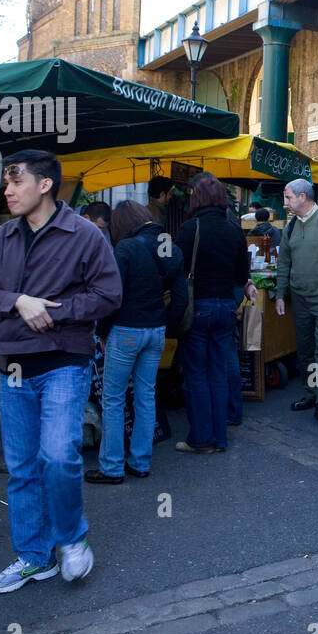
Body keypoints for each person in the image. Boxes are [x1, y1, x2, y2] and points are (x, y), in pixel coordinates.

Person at [0, 150, 122, 593]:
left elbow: (109, 296)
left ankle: (71, 538)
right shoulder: (0, 237)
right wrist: (18, 301)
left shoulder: (85, 235)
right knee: (21, 468)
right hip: (13, 364)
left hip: (62, 361)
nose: (8, 191)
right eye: (6, 185)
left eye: (17, 182)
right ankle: (35, 558)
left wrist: (55, 312)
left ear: (46, 185)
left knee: (58, 455)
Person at [86, 201, 187, 483]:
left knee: (114, 399)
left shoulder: (126, 248)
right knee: (145, 396)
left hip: (126, 329)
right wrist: (165, 324)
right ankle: (140, 462)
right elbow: (181, 299)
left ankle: (112, 467)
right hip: (155, 331)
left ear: (121, 224)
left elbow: (112, 296)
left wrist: (102, 332)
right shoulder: (172, 247)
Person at [176, 175, 249, 454]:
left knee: (196, 373)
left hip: (198, 307)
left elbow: (175, 269)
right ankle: (220, 437)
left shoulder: (189, 228)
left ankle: (201, 439)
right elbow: (242, 275)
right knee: (218, 372)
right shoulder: (234, 230)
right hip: (226, 307)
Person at [275, 178, 318, 422]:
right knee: (305, 350)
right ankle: (311, 392)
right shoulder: (290, 227)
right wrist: (280, 294)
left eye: (289, 197)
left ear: (303, 197)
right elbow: (283, 262)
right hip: (300, 298)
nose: (286, 202)